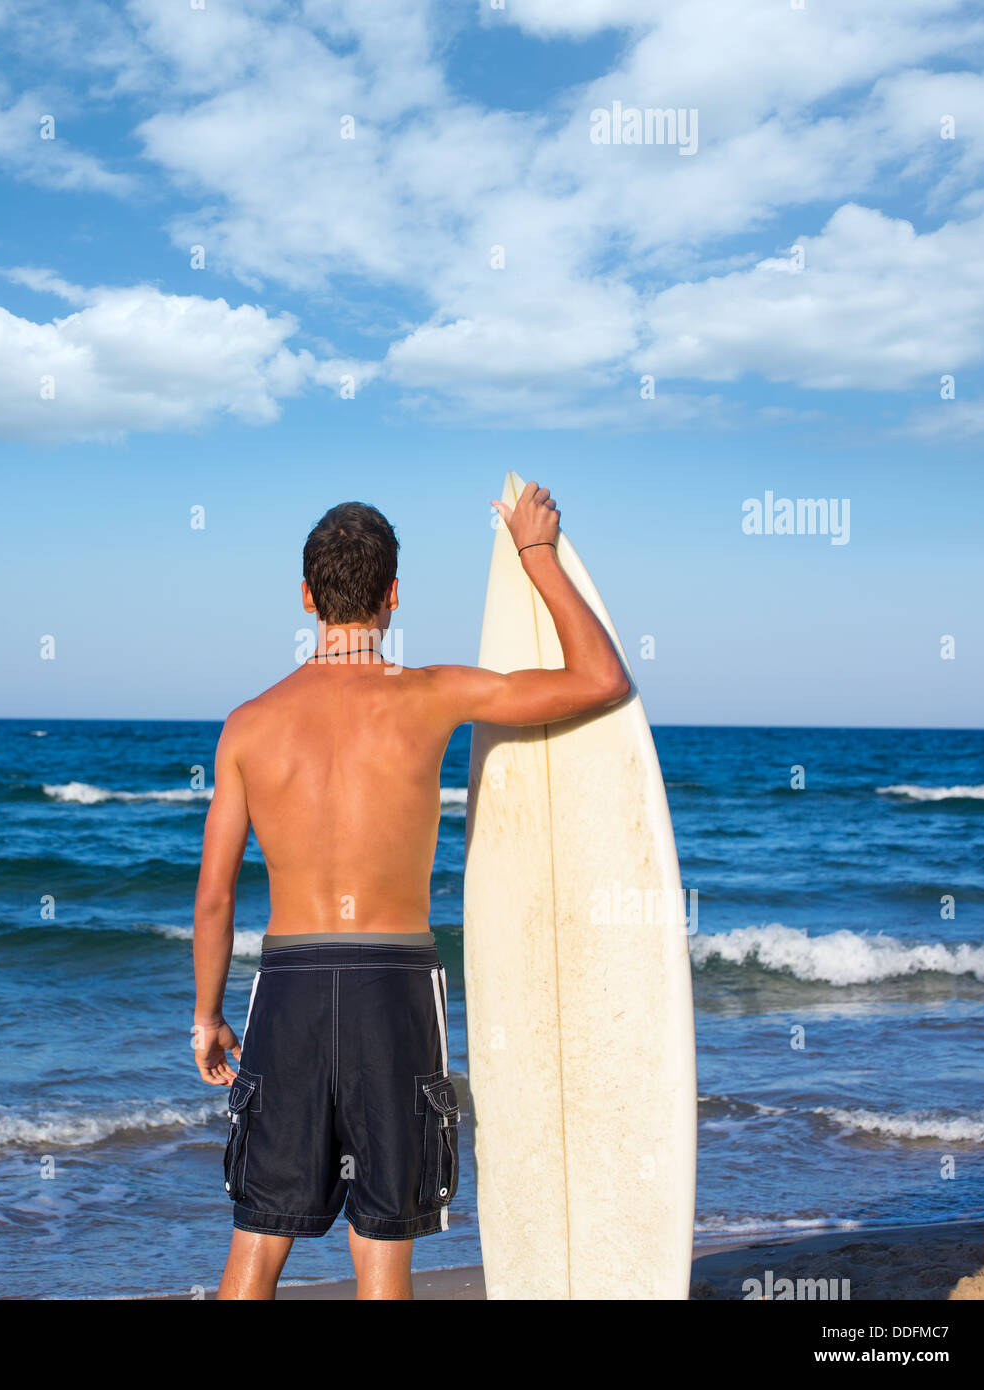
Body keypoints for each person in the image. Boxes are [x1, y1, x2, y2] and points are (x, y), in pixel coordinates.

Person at [192, 481, 630, 1300]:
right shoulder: (434, 695)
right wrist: (537, 553)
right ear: (394, 593)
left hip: (286, 983)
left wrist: (209, 1016)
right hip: (391, 985)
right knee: (385, 1239)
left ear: (304, 596)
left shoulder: (249, 724)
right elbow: (601, 678)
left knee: (259, 1229)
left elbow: (214, 896)